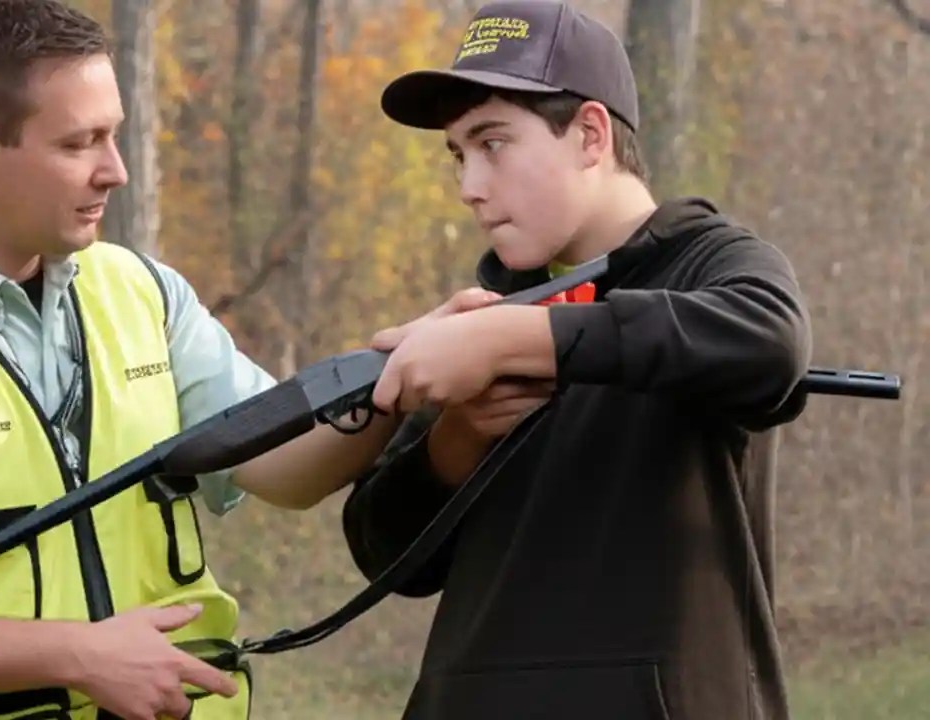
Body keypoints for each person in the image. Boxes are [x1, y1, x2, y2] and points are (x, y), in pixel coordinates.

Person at [0, 2, 419, 719]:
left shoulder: (143, 293)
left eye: (116, 137)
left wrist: (401, 373)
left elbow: (284, 467)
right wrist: (80, 656)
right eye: (79, 143)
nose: (117, 171)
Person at [341, 2, 813, 719]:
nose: (470, 186)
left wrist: (522, 343)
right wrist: (456, 439)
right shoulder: (486, 309)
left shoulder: (713, 263)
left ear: (590, 134)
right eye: (458, 156)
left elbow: (770, 342)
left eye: (492, 143)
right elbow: (388, 554)